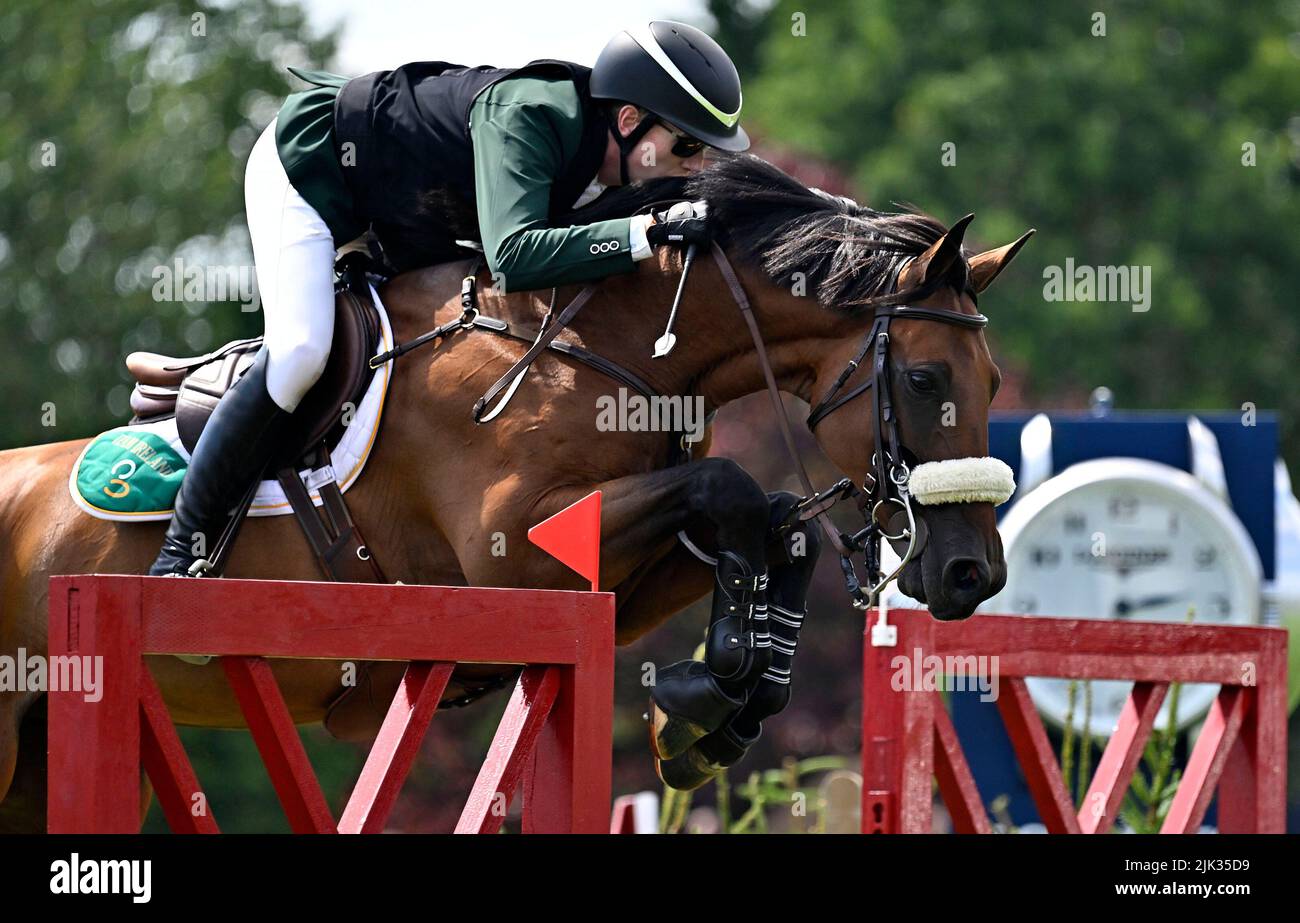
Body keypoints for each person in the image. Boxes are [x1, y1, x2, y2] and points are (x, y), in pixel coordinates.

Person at [149, 20, 750, 576]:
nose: (695, 169)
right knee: (303, 351)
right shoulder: (532, 115)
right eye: (687, 148)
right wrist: (645, 233)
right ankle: (182, 553)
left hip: (408, 218)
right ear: (627, 122)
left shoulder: (604, 160)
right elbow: (515, 257)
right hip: (312, 170)